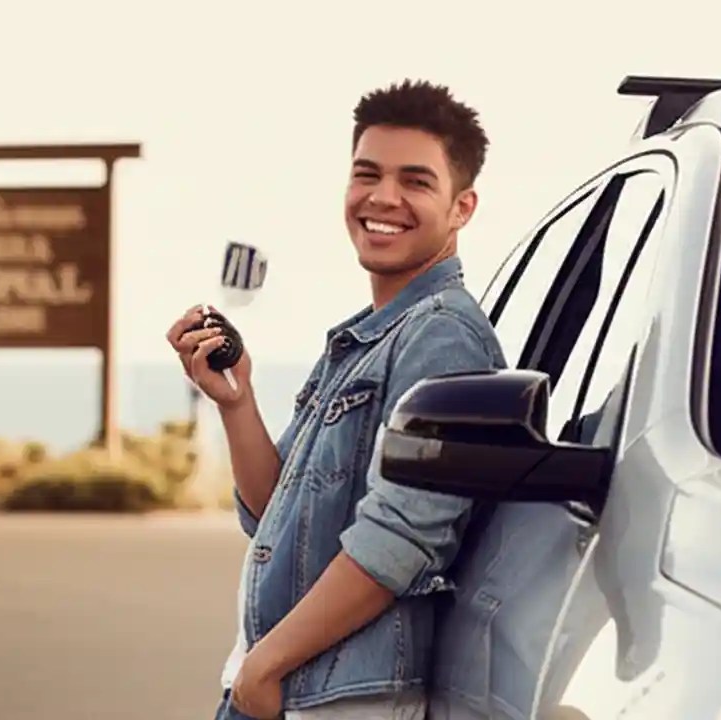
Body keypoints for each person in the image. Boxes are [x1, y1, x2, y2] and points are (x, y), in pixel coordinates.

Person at [166, 79, 504, 719]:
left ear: (463, 207)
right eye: (367, 174)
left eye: (416, 181)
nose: (384, 198)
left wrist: (266, 666)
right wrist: (237, 403)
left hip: (342, 697)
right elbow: (277, 512)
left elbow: (400, 537)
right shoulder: (365, 337)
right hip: (292, 681)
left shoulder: (442, 336)